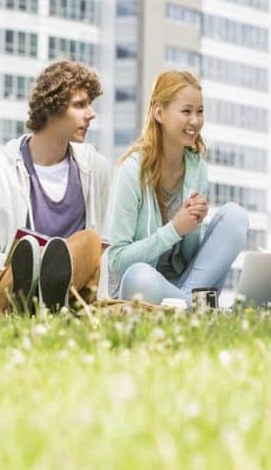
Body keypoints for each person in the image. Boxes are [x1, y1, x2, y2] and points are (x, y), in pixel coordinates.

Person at [0, 60, 111, 314]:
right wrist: (28, 260)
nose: (91, 114)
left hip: (75, 292)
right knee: (24, 264)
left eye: (90, 104)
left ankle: (52, 301)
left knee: (89, 241)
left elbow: (106, 250)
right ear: (51, 109)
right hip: (10, 291)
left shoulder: (96, 168)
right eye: (79, 105)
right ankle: (36, 297)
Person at [105, 70, 248, 305]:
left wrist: (194, 224)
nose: (195, 121)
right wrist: (174, 229)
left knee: (235, 216)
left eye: (200, 111)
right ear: (159, 113)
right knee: (140, 275)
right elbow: (117, 260)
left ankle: (186, 305)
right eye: (186, 111)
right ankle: (197, 306)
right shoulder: (131, 171)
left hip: (183, 285)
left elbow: (191, 259)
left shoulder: (197, 168)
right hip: (142, 288)